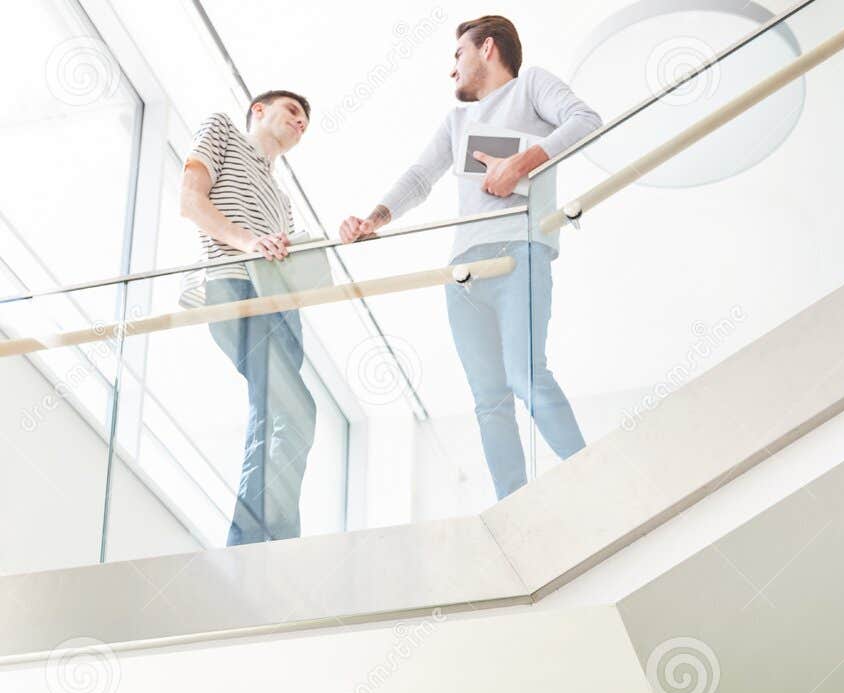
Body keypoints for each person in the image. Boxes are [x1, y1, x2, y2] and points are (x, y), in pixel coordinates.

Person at [339, 16, 600, 500]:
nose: (451, 69)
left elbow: (586, 121)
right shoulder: (456, 121)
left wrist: (519, 163)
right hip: (464, 272)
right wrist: (375, 218)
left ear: (488, 48)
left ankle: (591, 475)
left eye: (457, 54)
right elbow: (421, 177)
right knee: (489, 400)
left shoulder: (531, 86)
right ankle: (514, 504)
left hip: (519, 252)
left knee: (526, 374)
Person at [180, 91, 317, 547]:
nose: (300, 123)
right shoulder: (221, 127)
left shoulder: (282, 199)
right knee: (292, 411)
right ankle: (256, 544)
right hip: (236, 287)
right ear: (259, 110)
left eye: (306, 122)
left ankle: (266, 545)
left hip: (280, 305)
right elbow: (191, 201)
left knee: (283, 415)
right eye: (293, 111)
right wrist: (249, 242)